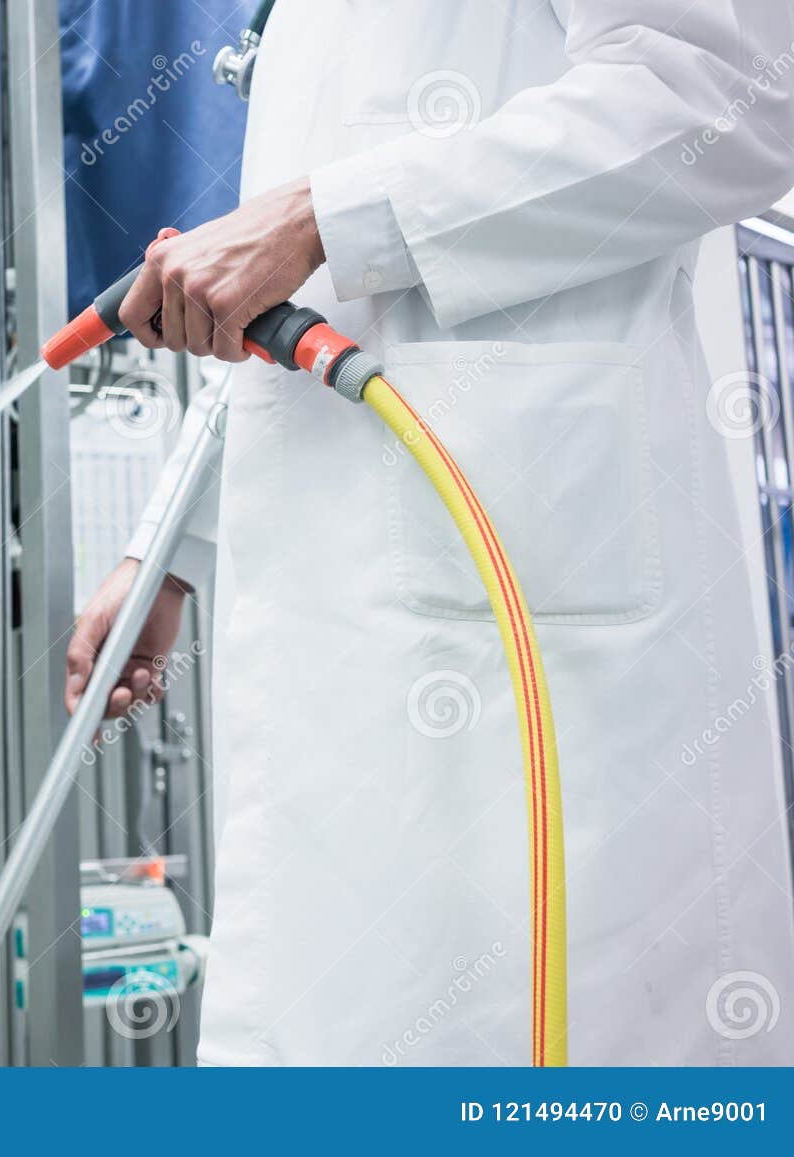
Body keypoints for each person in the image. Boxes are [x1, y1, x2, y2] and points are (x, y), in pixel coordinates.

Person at [67, 0, 794, 1064]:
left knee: (529, 1019)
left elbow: (729, 96)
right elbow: (309, 320)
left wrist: (326, 217)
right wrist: (170, 548)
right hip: (362, 578)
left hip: (534, 581)